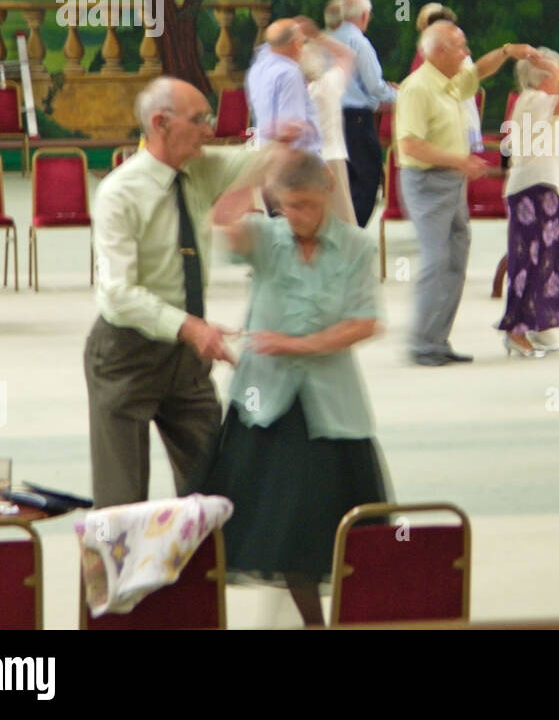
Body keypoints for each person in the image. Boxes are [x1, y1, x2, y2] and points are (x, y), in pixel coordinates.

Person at [203, 151, 389, 627]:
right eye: (287, 206)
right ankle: (313, 623)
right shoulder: (267, 238)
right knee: (281, 528)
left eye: (306, 204)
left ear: (327, 191)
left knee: (334, 528)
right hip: (265, 402)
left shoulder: (356, 246)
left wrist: (299, 344)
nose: (298, 216)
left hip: (330, 406)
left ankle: (347, 618)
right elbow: (222, 219)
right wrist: (262, 163)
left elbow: (366, 322)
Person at [86, 77, 270, 507]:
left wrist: (300, 118)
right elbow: (116, 292)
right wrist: (188, 326)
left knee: (214, 488)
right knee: (121, 502)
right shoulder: (120, 192)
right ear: (160, 123)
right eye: (199, 119)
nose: (209, 129)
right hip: (125, 355)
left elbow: (265, 161)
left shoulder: (202, 169)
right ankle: (117, 577)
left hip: (187, 357)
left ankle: (204, 575)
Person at [395, 22, 535, 366]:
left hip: (451, 182)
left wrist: (505, 51)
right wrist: (460, 160)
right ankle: (423, 344)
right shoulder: (418, 88)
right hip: (427, 183)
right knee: (436, 260)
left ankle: (437, 340)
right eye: (461, 47)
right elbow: (410, 144)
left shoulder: (451, 82)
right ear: (439, 51)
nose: (467, 53)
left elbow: (480, 71)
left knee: (455, 258)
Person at [497, 48, 559, 357]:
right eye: (557, 74)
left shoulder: (542, 104)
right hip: (535, 190)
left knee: (547, 259)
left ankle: (539, 324)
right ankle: (516, 330)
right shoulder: (534, 100)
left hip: (547, 188)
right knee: (530, 262)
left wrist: (554, 71)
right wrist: (555, 71)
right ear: (543, 78)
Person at [329, 0, 398, 228]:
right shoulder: (359, 43)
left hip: (329, 118)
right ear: (365, 16)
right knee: (367, 176)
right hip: (356, 119)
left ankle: (338, 232)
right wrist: (402, 96)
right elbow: (375, 87)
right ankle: (353, 233)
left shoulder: (328, 40)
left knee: (341, 180)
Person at [299, 34, 357, 225]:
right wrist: (318, 35)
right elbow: (346, 55)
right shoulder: (329, 84)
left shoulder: (294, 93)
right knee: (341, 218)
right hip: (333, 156)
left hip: (303, 160)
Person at [245, 18, 323, 157]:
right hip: (292, 159)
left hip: (263, 151)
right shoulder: (289, 74)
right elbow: (290, 129)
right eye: (303, 40)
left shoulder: (256, 69)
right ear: (295, 43)